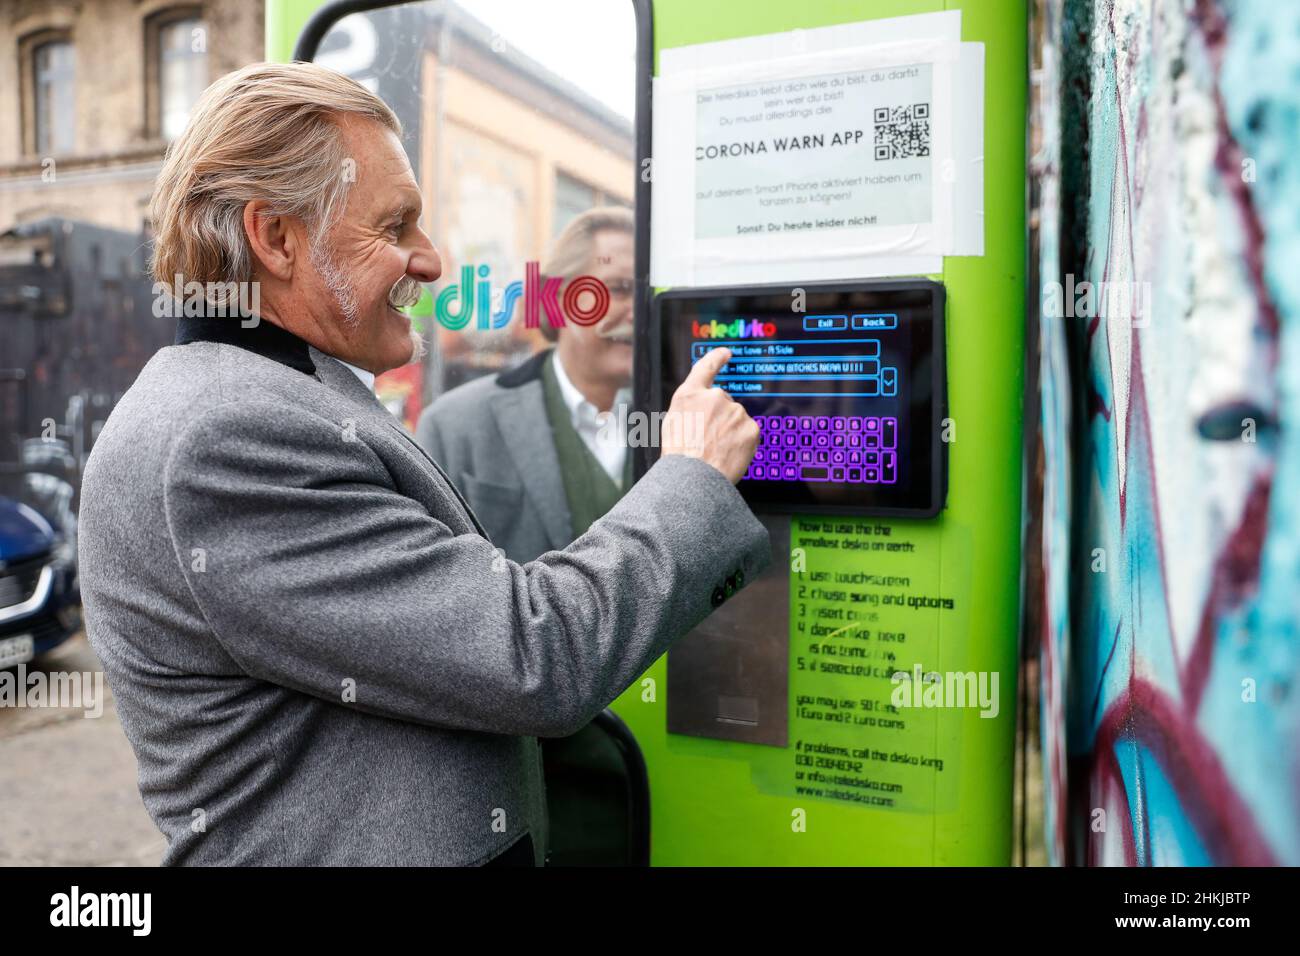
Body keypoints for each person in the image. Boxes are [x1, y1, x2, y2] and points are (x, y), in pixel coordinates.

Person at [76, 62, 765, 866]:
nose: (432, 260)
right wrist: (694, 473)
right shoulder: (228, 437)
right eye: (395, 226)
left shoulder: (266, 395)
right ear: (276, 237)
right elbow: (533, 657)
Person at [416, 206, 635, 562]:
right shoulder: (454, 426)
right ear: (560, 299)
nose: (638, 310)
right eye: (620, 289)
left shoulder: (678, 420)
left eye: (649, 291)